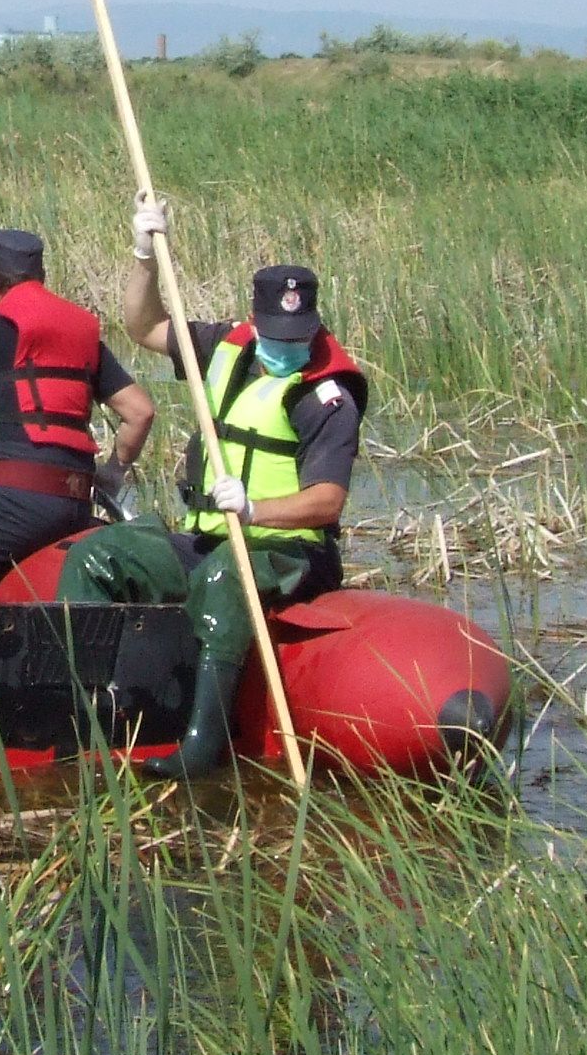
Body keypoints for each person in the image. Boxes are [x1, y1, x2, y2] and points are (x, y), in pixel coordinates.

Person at [57, 193, 365, 780]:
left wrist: (254, 509)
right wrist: (144, 255)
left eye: (297, 333)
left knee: (226, 577)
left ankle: (202, 747)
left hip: (290, 550)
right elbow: (142, 325)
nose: (285, 344)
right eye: (275, 331)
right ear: (256, 319)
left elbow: (328, 500)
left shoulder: (329, 396)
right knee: (99, 556)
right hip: (206, 537)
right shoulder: (224, 346)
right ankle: (93, 713)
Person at [0, 226, 154, 590]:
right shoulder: (81, 331)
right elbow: (140, 411)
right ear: (43, 277)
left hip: (8, 502)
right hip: (74, 506)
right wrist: (113, 473)